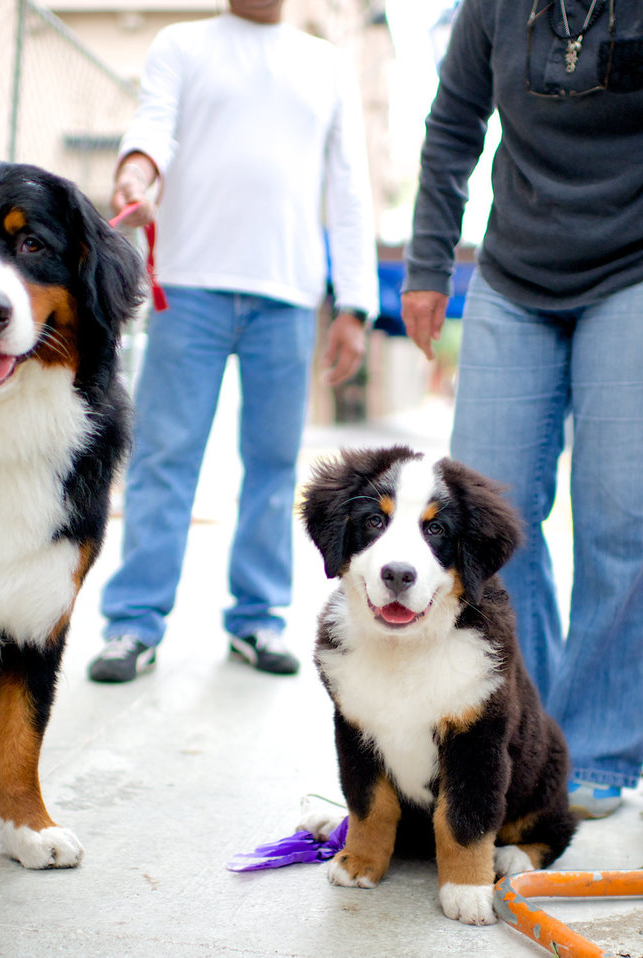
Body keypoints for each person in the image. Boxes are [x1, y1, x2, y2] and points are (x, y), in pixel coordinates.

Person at [88, 0, 378, 683]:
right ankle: (133, 624)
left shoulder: (327, 65)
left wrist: (356, 304)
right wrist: (136, 171)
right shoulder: (181, 45)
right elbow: (151, 127)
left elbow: (348, 189)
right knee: (164, 458)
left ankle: (258, 620)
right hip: (188, 287)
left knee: (275, 466)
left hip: (288, 295)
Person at [402, 0, 643, 818]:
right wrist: (428, 265)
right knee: (490, 519)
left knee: (620, 517)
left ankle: (602, 745)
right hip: (514, 274)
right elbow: (452, 126)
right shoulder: (496, 8)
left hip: (634, 268)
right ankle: (523, 736)